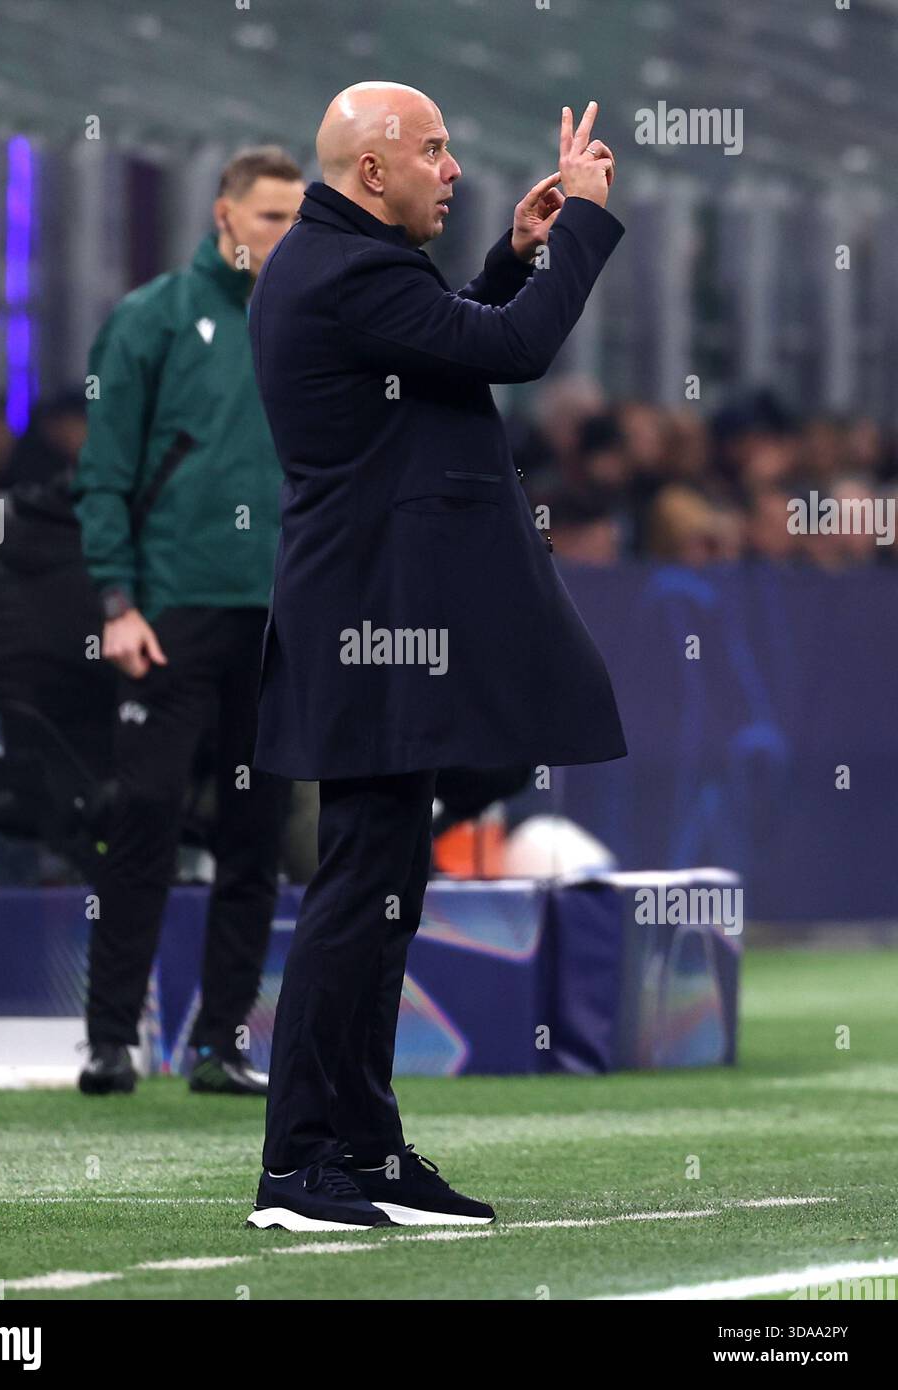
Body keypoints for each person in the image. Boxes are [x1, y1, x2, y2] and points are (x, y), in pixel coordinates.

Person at [246, 83, 626, 1231]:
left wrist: (517, 252)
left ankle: (361, 1145)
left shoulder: (344, 266)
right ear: (373, 171)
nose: (453, 169)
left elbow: (450, 340)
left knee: (384, 890)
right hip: (368, 625)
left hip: (377, 623)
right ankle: (299, 1161)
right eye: (434, 149)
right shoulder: (349, 270)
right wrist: (593, 225)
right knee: (360, 886)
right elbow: (508, 350)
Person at [72, 146, 303, 1097]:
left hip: (277, 617)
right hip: (170, 613)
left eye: (298, 220)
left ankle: (219, 1043)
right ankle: (110, 1039)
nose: (285, 237)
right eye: (269, 219)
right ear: (223, 218)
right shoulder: (153, 318)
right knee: (146, 821)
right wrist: (117, 602)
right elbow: (105, 474)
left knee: (258, 832)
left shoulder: (308, 324)